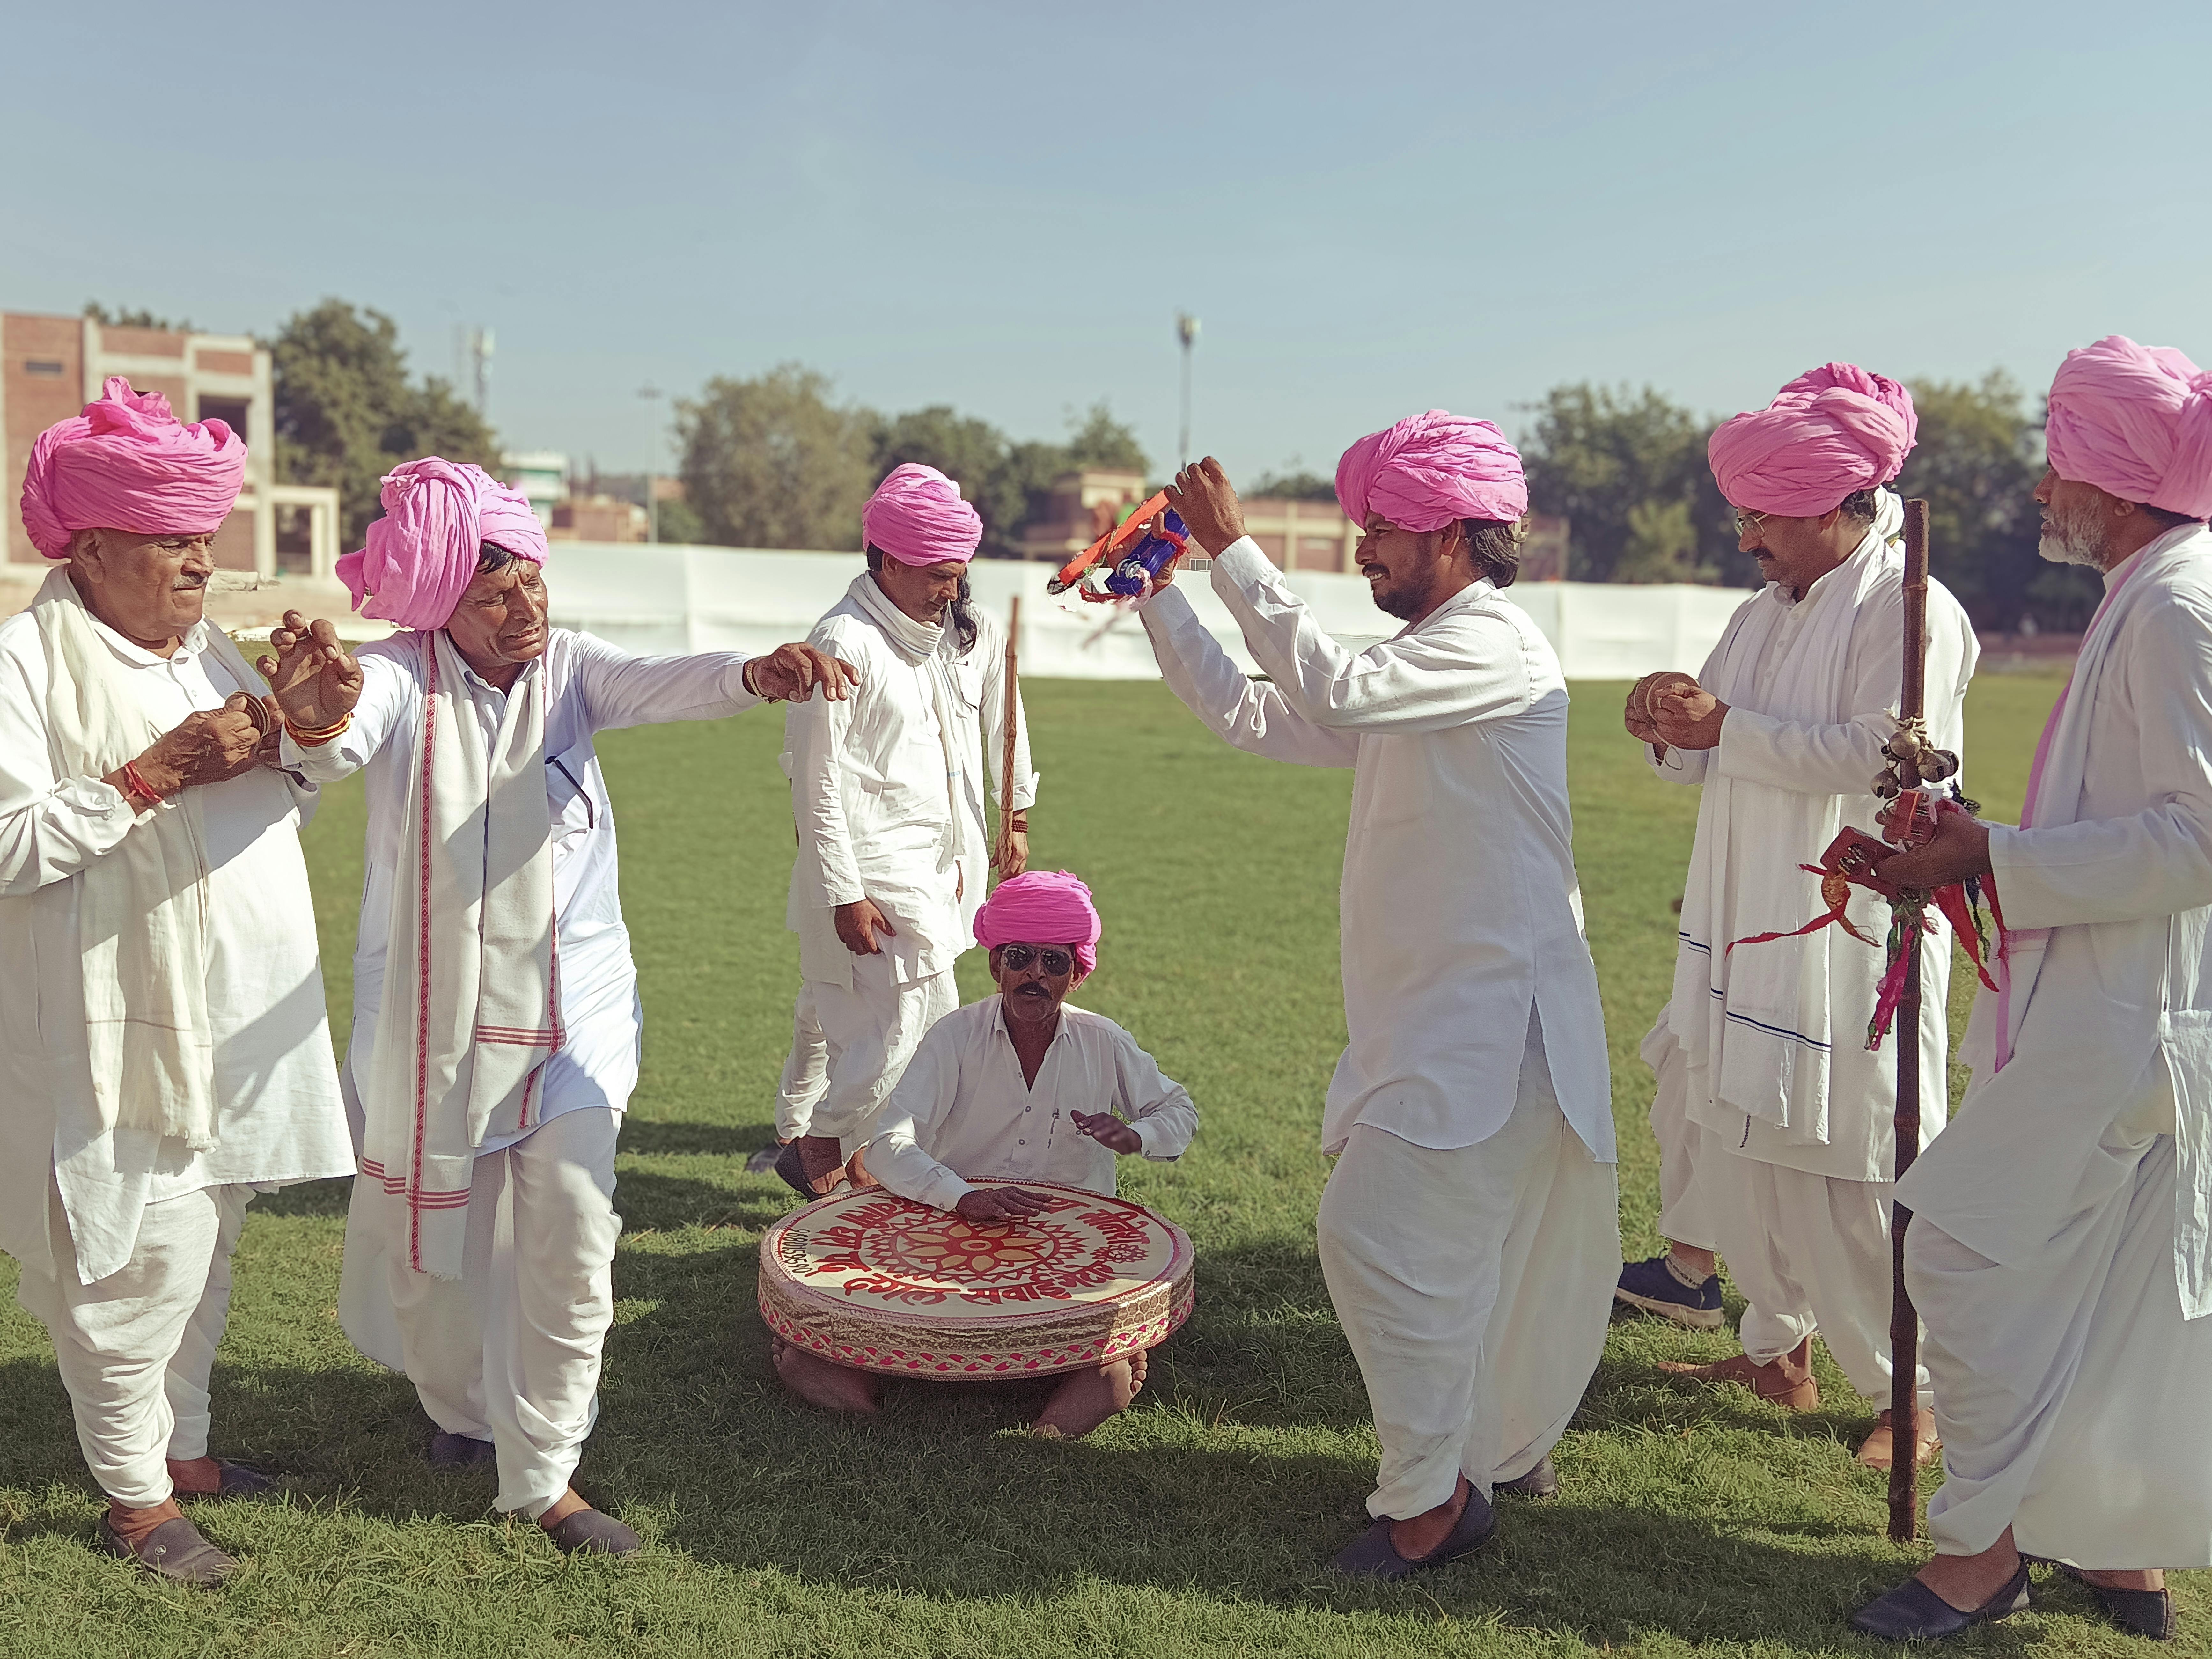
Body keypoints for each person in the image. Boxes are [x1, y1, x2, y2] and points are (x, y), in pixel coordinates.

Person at [260, 457, 853, 1557]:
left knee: (575, 1234)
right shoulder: (400, 677)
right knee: (439, 1248)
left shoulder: (570, 669)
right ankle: (460, 1410)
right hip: (431, 1025)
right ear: (442, 602)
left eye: (531, 578)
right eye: (494, 592)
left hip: (572, 1015)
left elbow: (666, 679)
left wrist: (757, 673)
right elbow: (338, 740)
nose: (524, 603)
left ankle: (547, 1474)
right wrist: (311, 723)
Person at [1135, 415, 1619, 1580]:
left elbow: (1337, 688)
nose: (1362, 552)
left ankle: (1430, 1502)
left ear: (1453, 536)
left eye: (1380, 532)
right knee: (1464, 1253)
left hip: (1493, 1018)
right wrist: (1160, 594)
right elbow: (1266, 711)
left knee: (1377, 1235)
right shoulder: (1428, 664)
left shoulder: (1492, 645)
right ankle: (1498, 1451)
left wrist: (1232, 552)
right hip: (1442, 1015)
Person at [1851, 335, 2212, 1644]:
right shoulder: (2158, 584)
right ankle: (2121, 1558)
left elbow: (2204, 833)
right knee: (2111, 1290)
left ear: (2111, 476)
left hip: (2131, 1023)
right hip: (2129, 1009)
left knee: (1954, 1245)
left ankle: (1983, 1556)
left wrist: (1993, 854)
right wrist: (1978, 843)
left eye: (2057, 464)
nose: (2041, 491)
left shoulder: (2177, 600)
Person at [0, 378, 353, 1585]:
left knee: (213, 1235)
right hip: (106, 1024)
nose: (202, 557)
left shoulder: (206, 651)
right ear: (93, 547)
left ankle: (186, 1449)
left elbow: (277, 796)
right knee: (131, 1258)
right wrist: (146, 778)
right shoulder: (26, 662)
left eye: (207, 534)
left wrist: (306, 731)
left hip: (245, 1011)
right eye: (172, 538)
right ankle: (138, 1502)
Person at [1617, 364, 1976, 1470]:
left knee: (1847, 1155)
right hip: (1736, 910)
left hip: (1844, 920)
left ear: (1831, 506)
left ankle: (1910, 1391)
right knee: (1730, 1124)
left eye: (1758, 517)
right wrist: (1665, 722)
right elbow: (1707, 750)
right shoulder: (1757, 609)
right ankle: (1773, 1347)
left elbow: (1890, 754)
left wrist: (1724, 725)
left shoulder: (1908, 606)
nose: (1742, 541)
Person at [769, 870, 1197, 1435]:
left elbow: (1178, 1112)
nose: (1034, 976)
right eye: (1019, 957)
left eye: (1054, 963)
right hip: (948, 1234)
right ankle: (871, 1393)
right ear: (996, 965)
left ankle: (1053, 1421)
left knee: (1097, 1351)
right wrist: (962, 1196)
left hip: (1065, 1242)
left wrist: (1133, 1136)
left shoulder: (1103, 1040)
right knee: (841, 1326)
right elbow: (891, 1146)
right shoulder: (954, 1037)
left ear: (1077, 975)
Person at [774, 464, 1036, 1196]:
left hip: (942, 865)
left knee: (868, 1022)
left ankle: (854, 1155)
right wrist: (842, 891)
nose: (952, 590)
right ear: (887, 559)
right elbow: (814, 780)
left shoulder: (959, 631)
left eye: (959, 574)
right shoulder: (844, 640)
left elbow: (1003, 724)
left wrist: (1014, 811)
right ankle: (819, 1149)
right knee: (910, 1033)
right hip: (872, 870)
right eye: (937, 573)